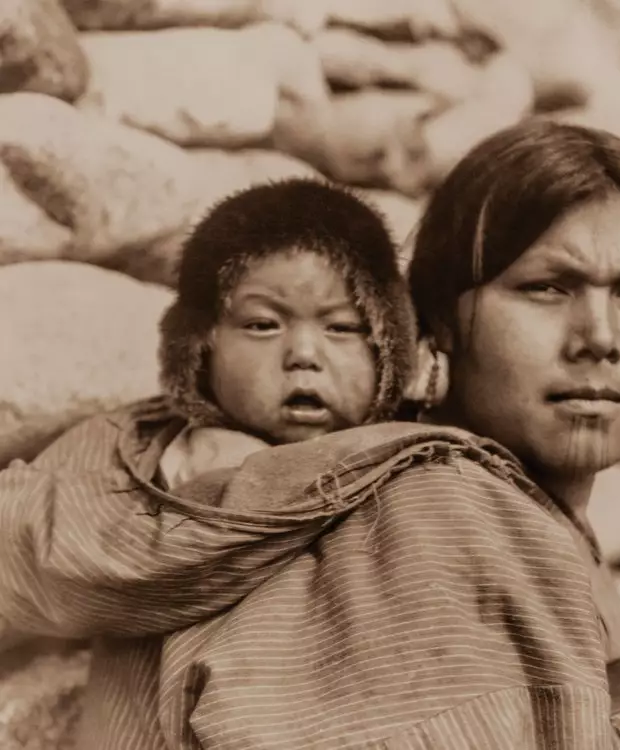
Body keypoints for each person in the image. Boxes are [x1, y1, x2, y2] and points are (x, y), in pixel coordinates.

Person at [153, 118, 620, 749]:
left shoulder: (532, 516)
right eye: (546, 288)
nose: (600, 338)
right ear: (437, 322)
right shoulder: (432, 517)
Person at [0, 178, 419, 749]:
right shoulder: (136, 448)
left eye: (342, 327)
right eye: (262, 324)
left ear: (389, 350)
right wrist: (199, 490)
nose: (303, 354)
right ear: (200, 346)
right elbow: (16, 543)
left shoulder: (417, 468)